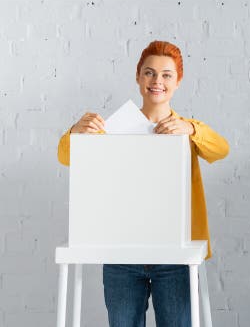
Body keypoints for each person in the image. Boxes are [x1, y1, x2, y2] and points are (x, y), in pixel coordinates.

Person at [57, 40, 229, 327]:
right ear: (138, 77)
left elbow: (221, 149)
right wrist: (75, 131)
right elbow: (65, 156)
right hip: (121, 253)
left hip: (174, 255)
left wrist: (192, 129)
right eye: (149, 73)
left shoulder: (186, 129)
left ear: (178, 81)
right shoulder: (113, 129)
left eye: (166, 75)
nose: (157, 81)